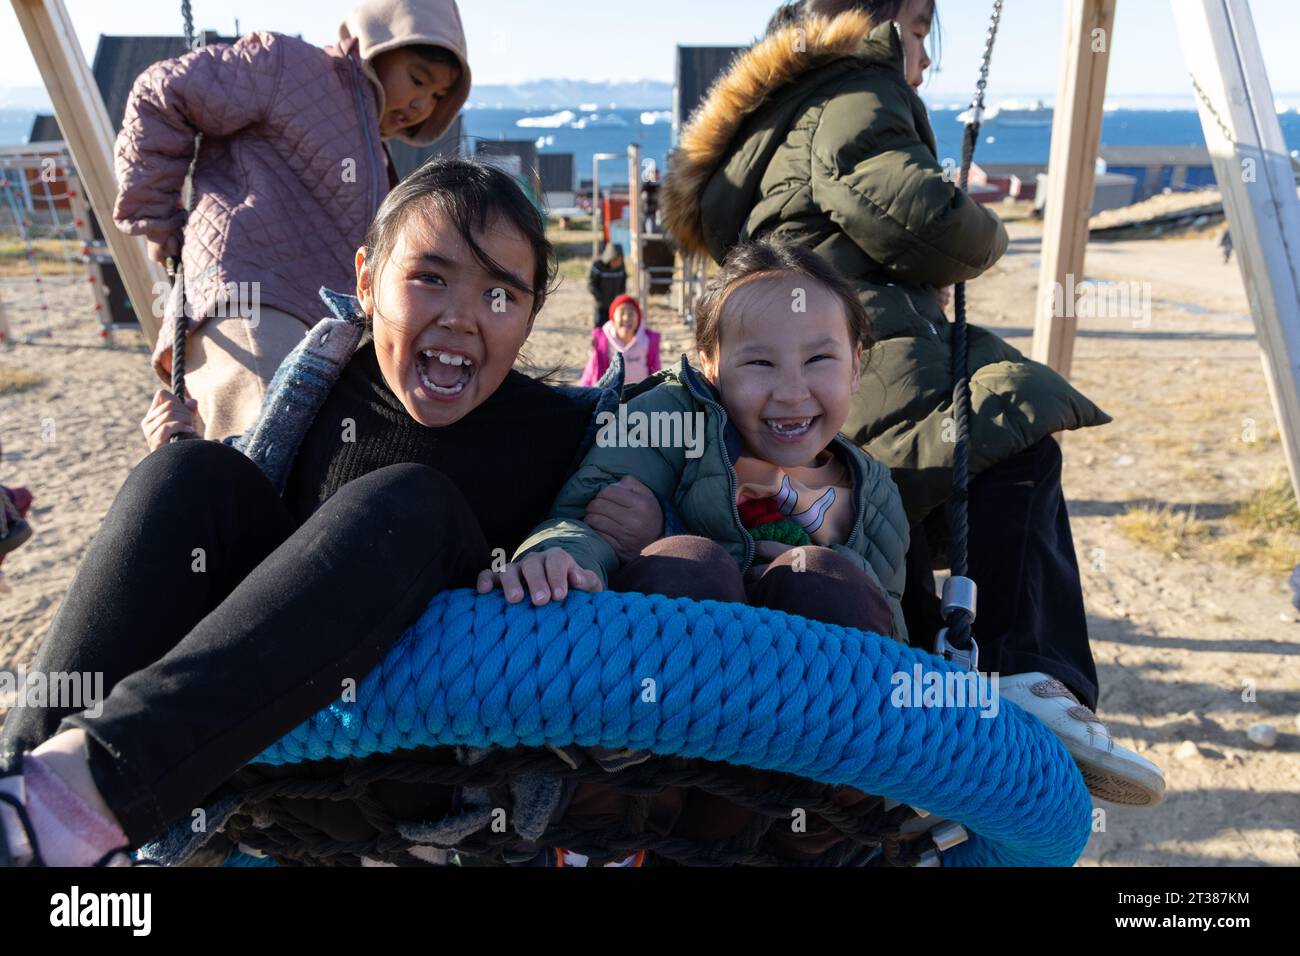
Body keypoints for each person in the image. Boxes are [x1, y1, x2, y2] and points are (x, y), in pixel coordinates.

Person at [0, 160, 665, 867]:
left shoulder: (562, 433)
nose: (462, 315)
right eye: (430, 278)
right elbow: (249, 495)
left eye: (500, 294)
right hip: (265, 737)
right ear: (366, 281)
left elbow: (649, 535)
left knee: (410, 500)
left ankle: (93, 786)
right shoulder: (320, 386)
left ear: (530, 315)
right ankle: (25, 796)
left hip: (432, 767)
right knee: (191, 472)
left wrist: (621, 537)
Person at [661, 0, 1164, 805]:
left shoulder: (765, 129)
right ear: (880, 18)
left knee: (896, 528)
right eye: (923, 30)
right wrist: (982, 231)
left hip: (808, 368)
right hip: (859, 353)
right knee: (1012, 427)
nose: (925, 58)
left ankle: (934, 719)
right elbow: (910, 209)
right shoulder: (856, 83)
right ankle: (1030, 669)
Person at [484, 240, 910, 865]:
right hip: (662, 756)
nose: (792, 393)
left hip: (785, 769)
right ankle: (614, 825)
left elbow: (889, 630)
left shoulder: (872, 493)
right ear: (710, 366)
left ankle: (815, 838)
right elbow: (585, 517)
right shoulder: (669, 420)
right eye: (759, 364)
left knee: (824, 579)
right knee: (692, 563)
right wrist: (560, 555)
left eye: (819, 359)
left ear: (855, 363)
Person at [113, 0, 472, 442]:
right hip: (250, 294)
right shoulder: (290, 66)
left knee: (297, 462)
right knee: (263, 443)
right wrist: (156, 213)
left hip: (320, 324)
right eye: (418, 79)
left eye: (437, 96)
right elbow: (161, 91)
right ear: (376, 46)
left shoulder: (375, 155)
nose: (421, 103)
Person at [577, 294, 661, 387]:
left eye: (631, 313)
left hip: (641, 395)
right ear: (613, 318)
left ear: (638, 319)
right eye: (622, 313)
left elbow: (656, 372)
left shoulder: (647, 340)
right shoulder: (604, 341)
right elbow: (590, 373)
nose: (626, 318)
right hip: (611, 395)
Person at [587, 242, 627, 328]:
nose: (618, 263)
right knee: (599, 327)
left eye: (620, 260)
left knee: (613, 327)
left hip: (615, 305)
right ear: (610, 258)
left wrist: (621, 297)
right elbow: (591, 284)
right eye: (615, 260)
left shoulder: (621, 267)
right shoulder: (598, 265)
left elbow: (623, 282)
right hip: (601, 305)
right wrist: (600, 297)